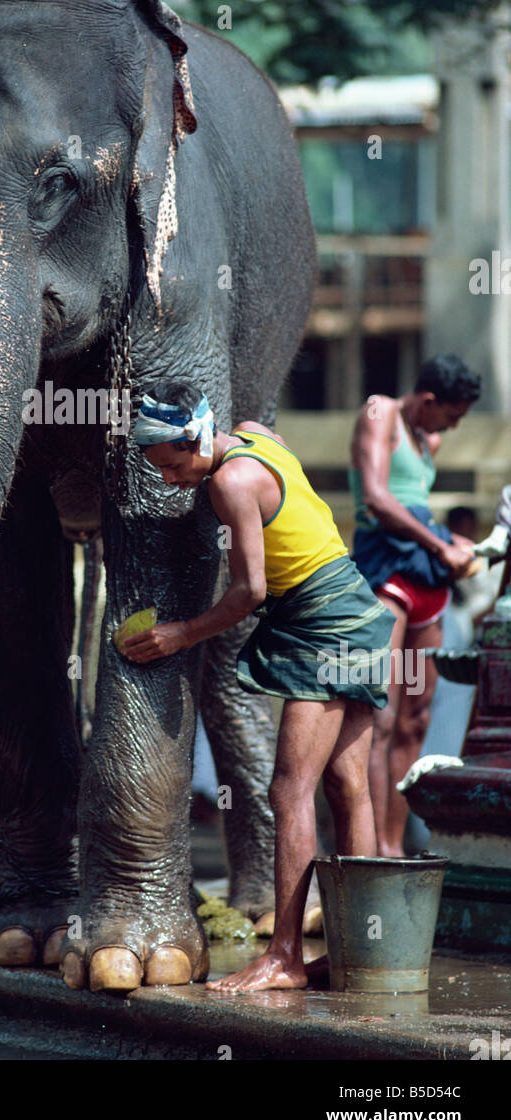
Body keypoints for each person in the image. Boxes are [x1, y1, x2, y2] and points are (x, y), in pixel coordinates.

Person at [119, 380, 395, 993]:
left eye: (170, 464)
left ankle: (287, 956)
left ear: (195, 439)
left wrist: (180, 635)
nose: (167, 480)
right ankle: (362, 954)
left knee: (289, 789)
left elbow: (250, 592)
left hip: (322, 625)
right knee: (349, 786)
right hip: (356, 606)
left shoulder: (228, 482)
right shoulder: (256, 436)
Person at [348, 354, 481, 857]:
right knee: (379, 715)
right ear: (428, 401)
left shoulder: (431, 438)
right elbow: (379, 499)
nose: (454, 425)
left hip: (425, 570)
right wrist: (442, 544)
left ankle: (395, 843)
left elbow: (414, 500)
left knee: (416, 716)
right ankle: (373, 846)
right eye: (451, 414)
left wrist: (453, 550)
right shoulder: (380, 413)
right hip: (388, 564)